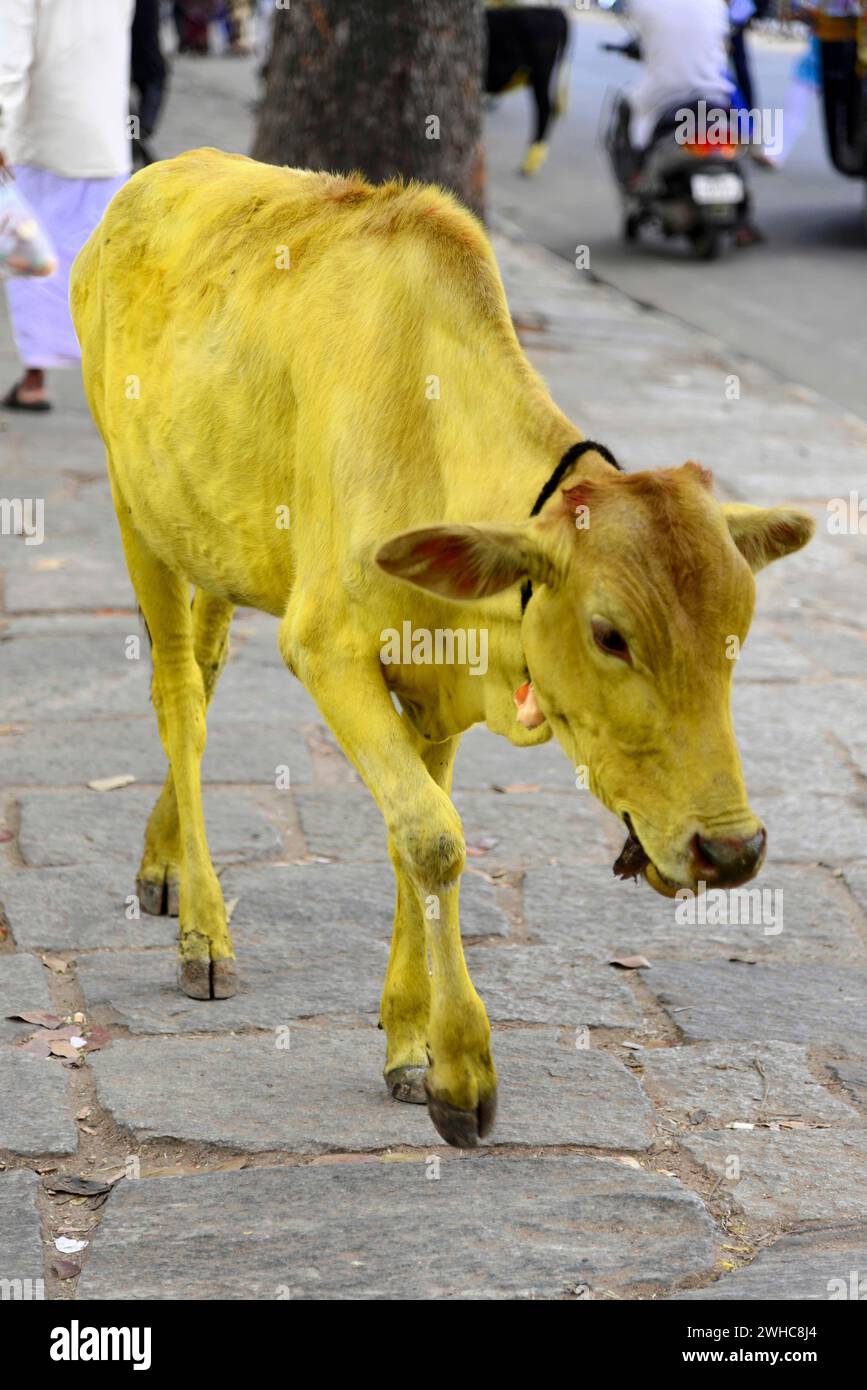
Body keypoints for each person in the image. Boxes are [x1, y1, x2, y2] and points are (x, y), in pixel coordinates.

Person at [0, 0, 135, 412]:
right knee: (98, 265)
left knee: (35, 258)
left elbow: (10, 50)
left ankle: (35, 380)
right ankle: (120, 380)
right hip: (105, 133)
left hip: (44, 133)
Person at [132, 0, 169, 167]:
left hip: (128, 56)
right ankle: (138, 134)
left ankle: (136, 135)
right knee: (154, 84)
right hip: (146, 56)